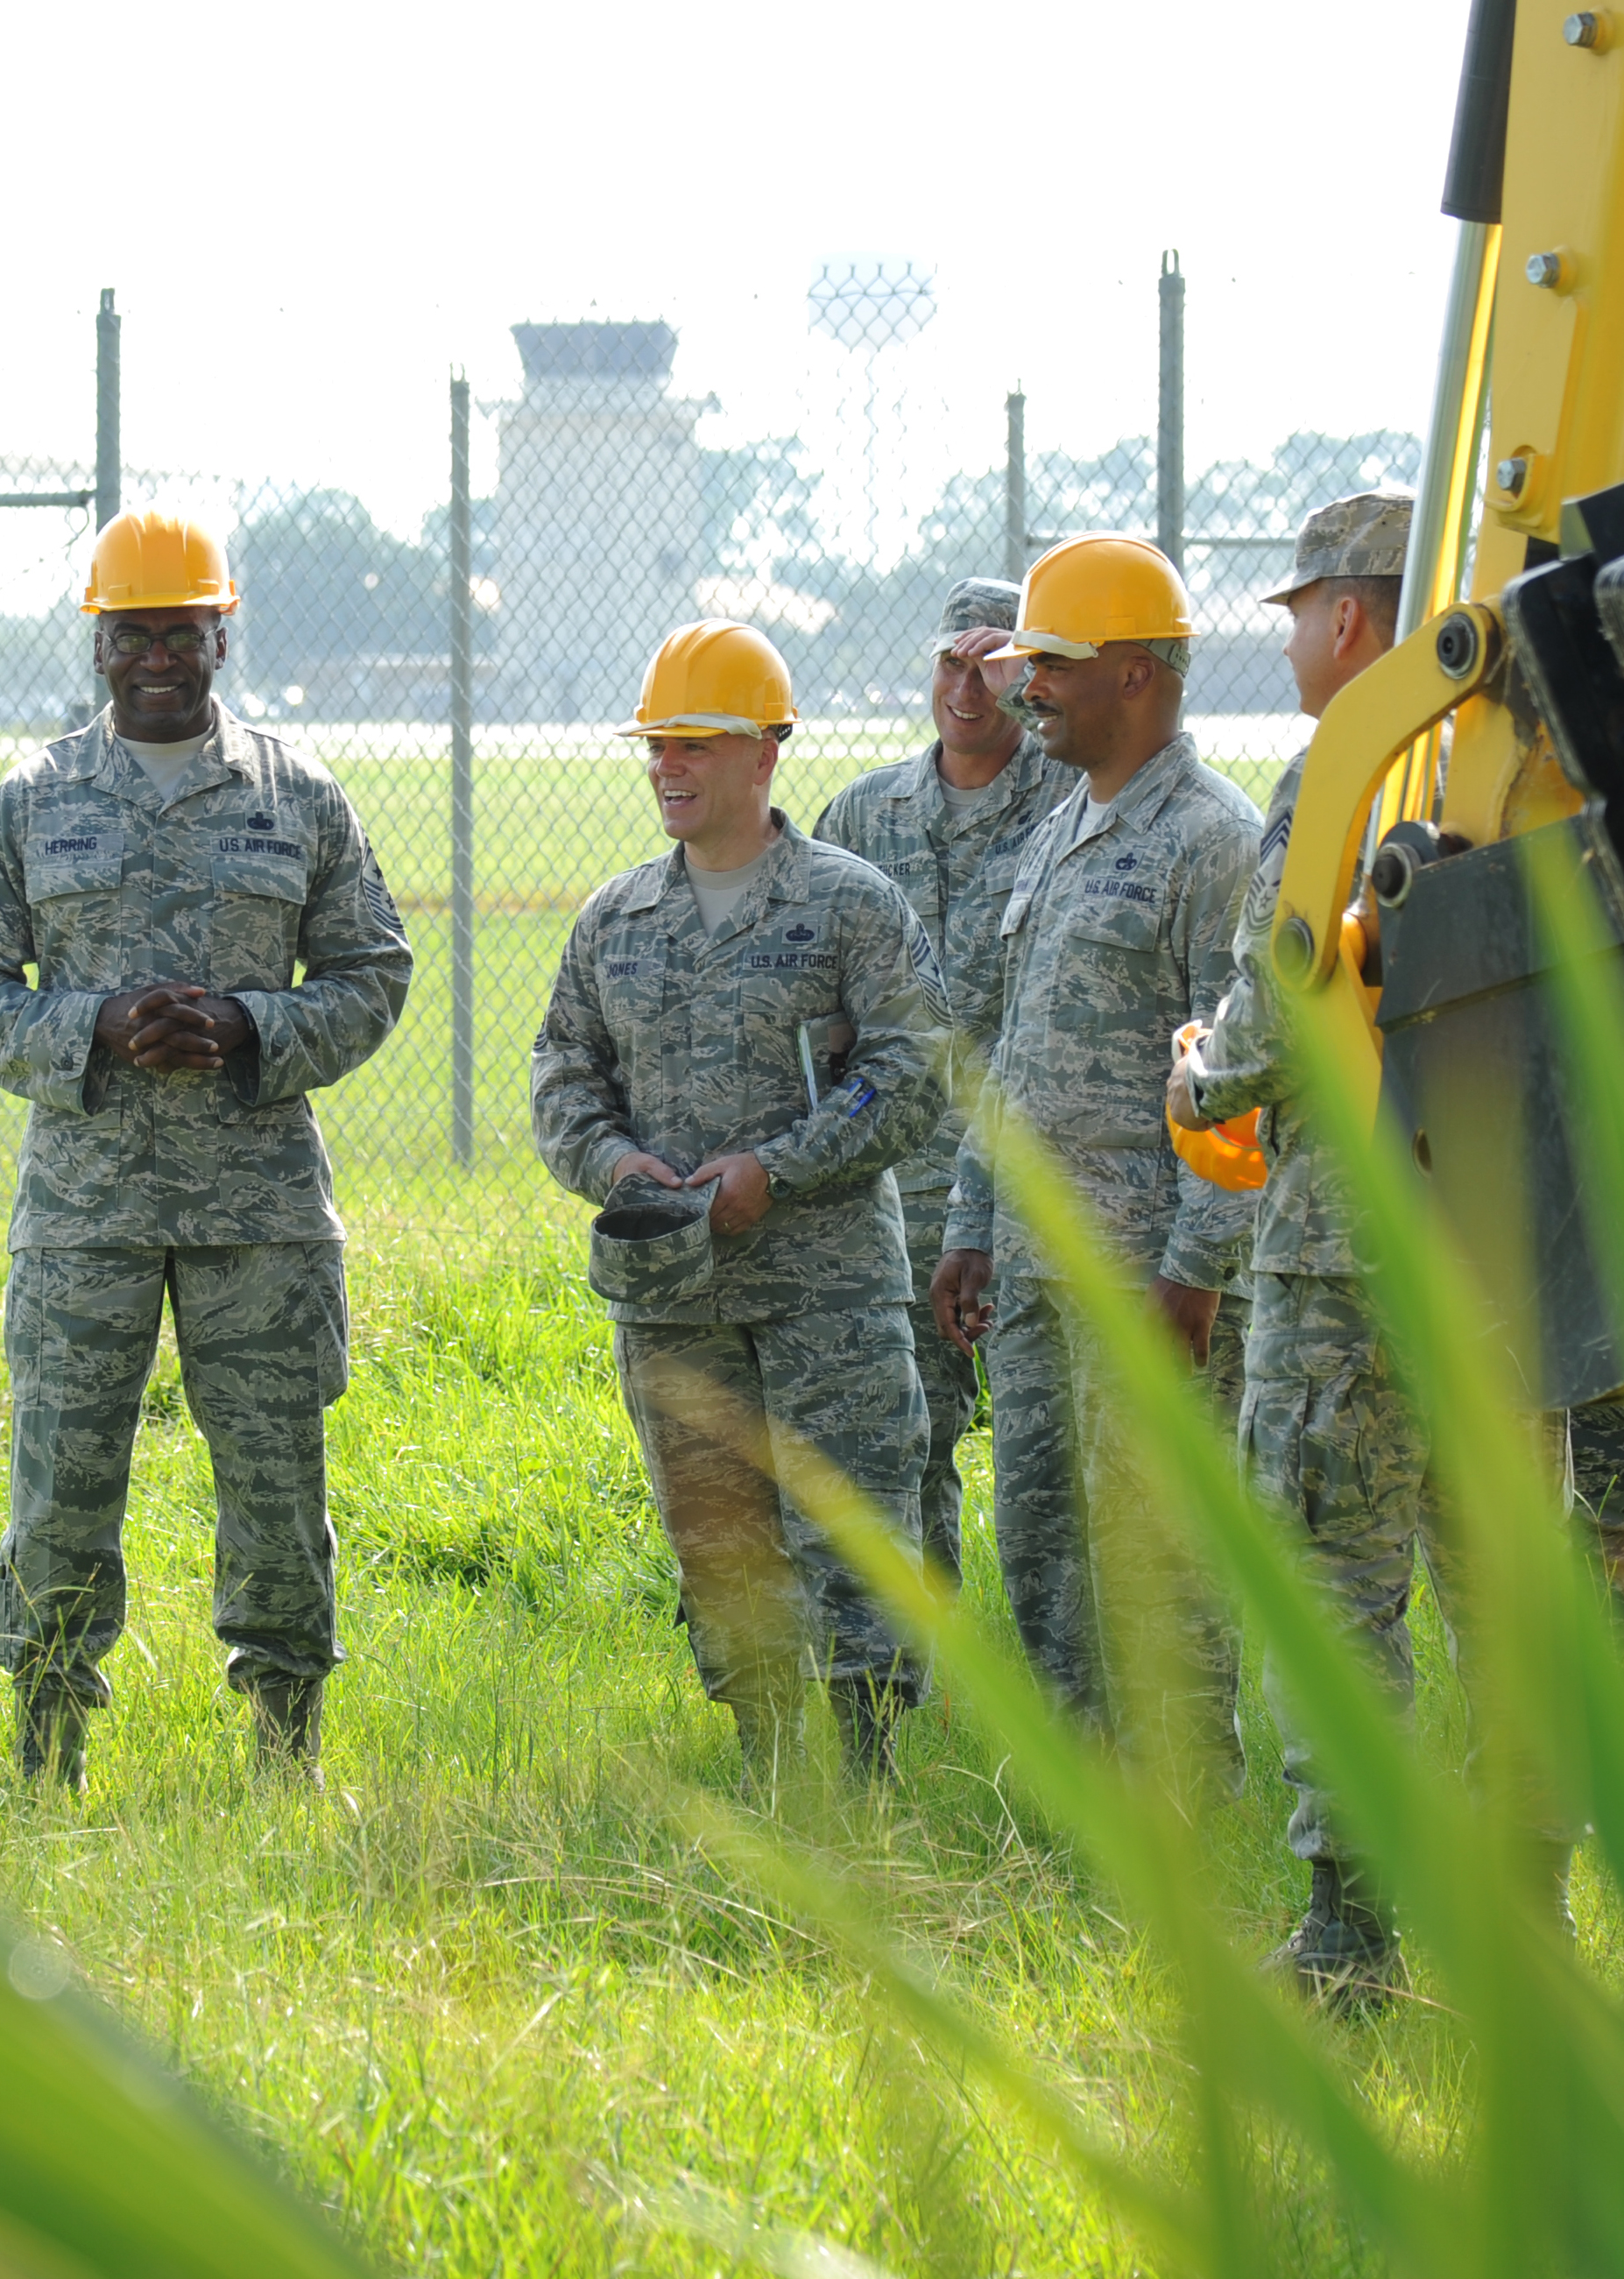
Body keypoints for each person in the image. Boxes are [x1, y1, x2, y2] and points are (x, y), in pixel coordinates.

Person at [0, 509, 412, 1792]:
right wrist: (88, 1026)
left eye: (180, 633)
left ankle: (286, 1753)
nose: (155, 658)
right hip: (84, 1214)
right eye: (131, 634)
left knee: (275, 1487)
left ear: (221, 635)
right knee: (61, 1486)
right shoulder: (34, 800)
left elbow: (372, 971)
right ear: (96, 643)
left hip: (259, 1212)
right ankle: (47, 1756)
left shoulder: (297, 797)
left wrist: (254, 1026)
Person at [533, 619, 951, 1778]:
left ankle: (870, 1775)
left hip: (828, 1292)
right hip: (677, 1298)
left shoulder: (849, 905)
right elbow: (562, 1069)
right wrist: (615, 1166)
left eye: (695, 745)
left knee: (856, 1534)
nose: (667, 767)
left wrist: (784, 1166)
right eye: (656, 745)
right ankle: (766, 1765)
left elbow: (914, 1068)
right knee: (718, 1546)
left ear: (764, 753)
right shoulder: (615, 920)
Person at [934, 536, 1263, 1775]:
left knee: (1159, 1556)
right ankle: (1093, 1805)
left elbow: (1240, 1084)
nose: (1029, 688)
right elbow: (1011, 1048)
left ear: (1136, 673)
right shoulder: (1063, 824)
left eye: (1055, 665)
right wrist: (972, 1225)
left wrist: (1198, 1270)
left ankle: (1188, 1802)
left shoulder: (1213, 842)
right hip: (1036, 1273)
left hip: (1146, 1282)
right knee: (1044, 1549)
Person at [1169, 489, 1428, 1988]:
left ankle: (1347, 1932)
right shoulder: (1513, 758)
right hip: (1513, 1245)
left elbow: (1278, 1000)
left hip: (1344, 1254)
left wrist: (1199, 1078)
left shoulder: (1343, 764)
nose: (1286, 650)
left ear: (1345, 615)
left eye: (1295, 619)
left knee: (1333, 1581)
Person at [811, 578, 1073, 1588]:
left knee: (1053, 1456)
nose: (967, 689)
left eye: (994, 667)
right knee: (904, 1439)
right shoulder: (867, 814)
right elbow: (812, 975)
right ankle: (921, 1660)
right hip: (901, 1183)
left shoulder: (1071, 802)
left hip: (1036, 1179)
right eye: (951, 664)